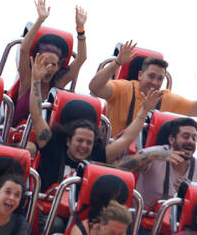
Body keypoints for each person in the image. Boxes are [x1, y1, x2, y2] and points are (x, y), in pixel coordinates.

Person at [27, 59, 160, 191]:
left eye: (89, 142)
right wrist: (35, 80)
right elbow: (37, 116)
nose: (84, 146)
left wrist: (144, 111)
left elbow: (126, 139)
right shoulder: (52, 148)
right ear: (68, 141)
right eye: (80, 140)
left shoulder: (97, 157)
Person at [88, 40, 197, 138]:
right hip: (113, 152)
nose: (155, 82)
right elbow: (95, 88)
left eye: (159, 79)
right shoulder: (124, 88)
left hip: (145, 161)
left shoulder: (166, 98)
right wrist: (117, 63)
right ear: (140, 75)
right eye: (151, 76)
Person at [11, 0, 88, 126]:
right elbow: (24, 49)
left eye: (53, 65)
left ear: (59, 68)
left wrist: (80, 30)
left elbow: (81, 59)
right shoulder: (27, 80)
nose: (49, 68)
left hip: (40, 142)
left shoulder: (57, 84)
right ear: (36, 62)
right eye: (45, 63)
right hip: (15, 137)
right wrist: (40, 20)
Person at [124, 117, 197, 208]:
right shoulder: (155, 154)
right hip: (142, 218)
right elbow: (120, 169)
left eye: (194, 138)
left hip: (177, 221)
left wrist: (191, 193)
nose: (190, 141)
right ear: (171, 140)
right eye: (186, 136)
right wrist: (151, 157)